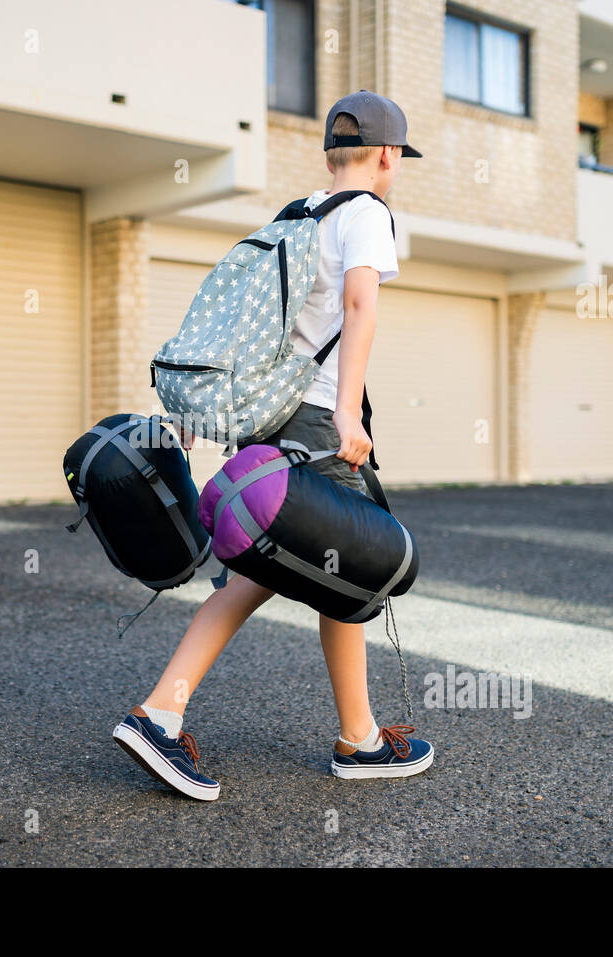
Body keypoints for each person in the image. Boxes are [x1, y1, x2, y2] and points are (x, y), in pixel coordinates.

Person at [113, 91, 434, 801]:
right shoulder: (368, 214)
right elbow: (360, 306)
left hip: (269, 416)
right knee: (347, 563)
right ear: (387, 156)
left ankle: (163, 711)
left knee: (266, 569)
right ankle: (358, 740)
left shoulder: (299, 214)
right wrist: (349, 412)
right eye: (397, 158)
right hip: (317, 420)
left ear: (329, 155)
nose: (395, 168)